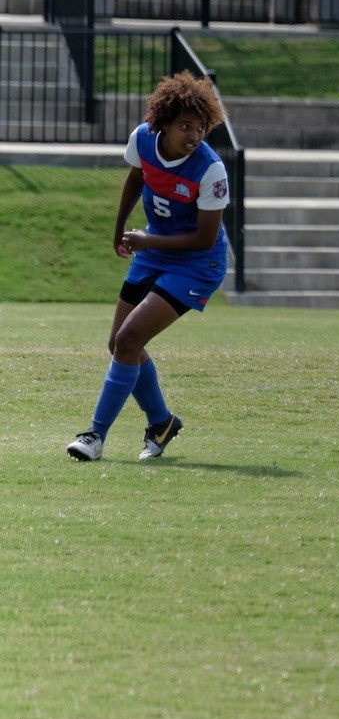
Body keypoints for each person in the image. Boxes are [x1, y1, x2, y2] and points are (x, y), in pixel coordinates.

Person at [66, 73, 232, 461]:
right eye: (185, 126)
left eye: (201, 128)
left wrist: (147, 240)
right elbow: (136, 178)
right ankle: (162, 423)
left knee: (128, 340)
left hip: (198, 264)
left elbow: (204, 239)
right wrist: (119, 228)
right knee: (120, 343)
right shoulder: (142, 139)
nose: (194, 136)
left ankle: (94, 436)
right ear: (163, 123)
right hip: (155, 248)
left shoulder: (211, 170)